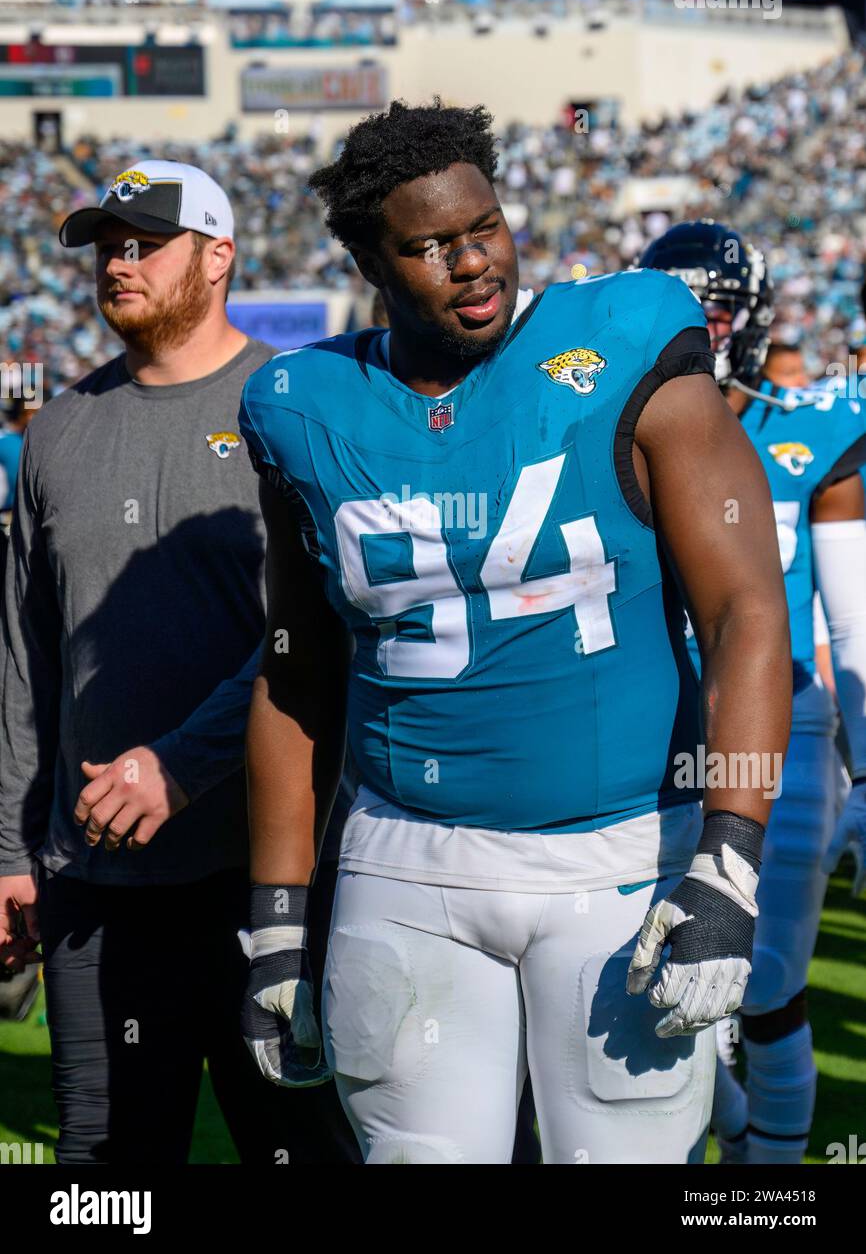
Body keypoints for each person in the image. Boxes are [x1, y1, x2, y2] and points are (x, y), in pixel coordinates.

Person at [236, 98, 790, 1165]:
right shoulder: (302, 405)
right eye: (429, 246)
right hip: (405, 861)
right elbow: (296, 670)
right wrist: (274, 914)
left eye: (481, 226)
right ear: (364, 258)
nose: (472, 261)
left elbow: (742, 611)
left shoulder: (621, 342)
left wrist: (728, 858)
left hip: (621, 850)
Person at [0, 159, 356, 1164]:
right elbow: (27, 658)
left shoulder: (291, 409)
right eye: (107, 244)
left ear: (218, 257)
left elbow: (315, 631)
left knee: (301, 1149)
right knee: (104, 1167)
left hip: (268, 874)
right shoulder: (59, 425)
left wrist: (182, 761)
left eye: (144, 242)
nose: (118, 262)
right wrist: (9, 853)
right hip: (95, 886)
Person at [639, 219, 866, 1163]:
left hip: (788, 722)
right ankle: (726, 1130)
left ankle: (765, 1192)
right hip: (655, 724)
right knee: (650, 980)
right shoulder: (616, 426)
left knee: (763, 975)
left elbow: (854, 619)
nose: (699, 326)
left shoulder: (814, 429)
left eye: (715, 307)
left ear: (755, 316)